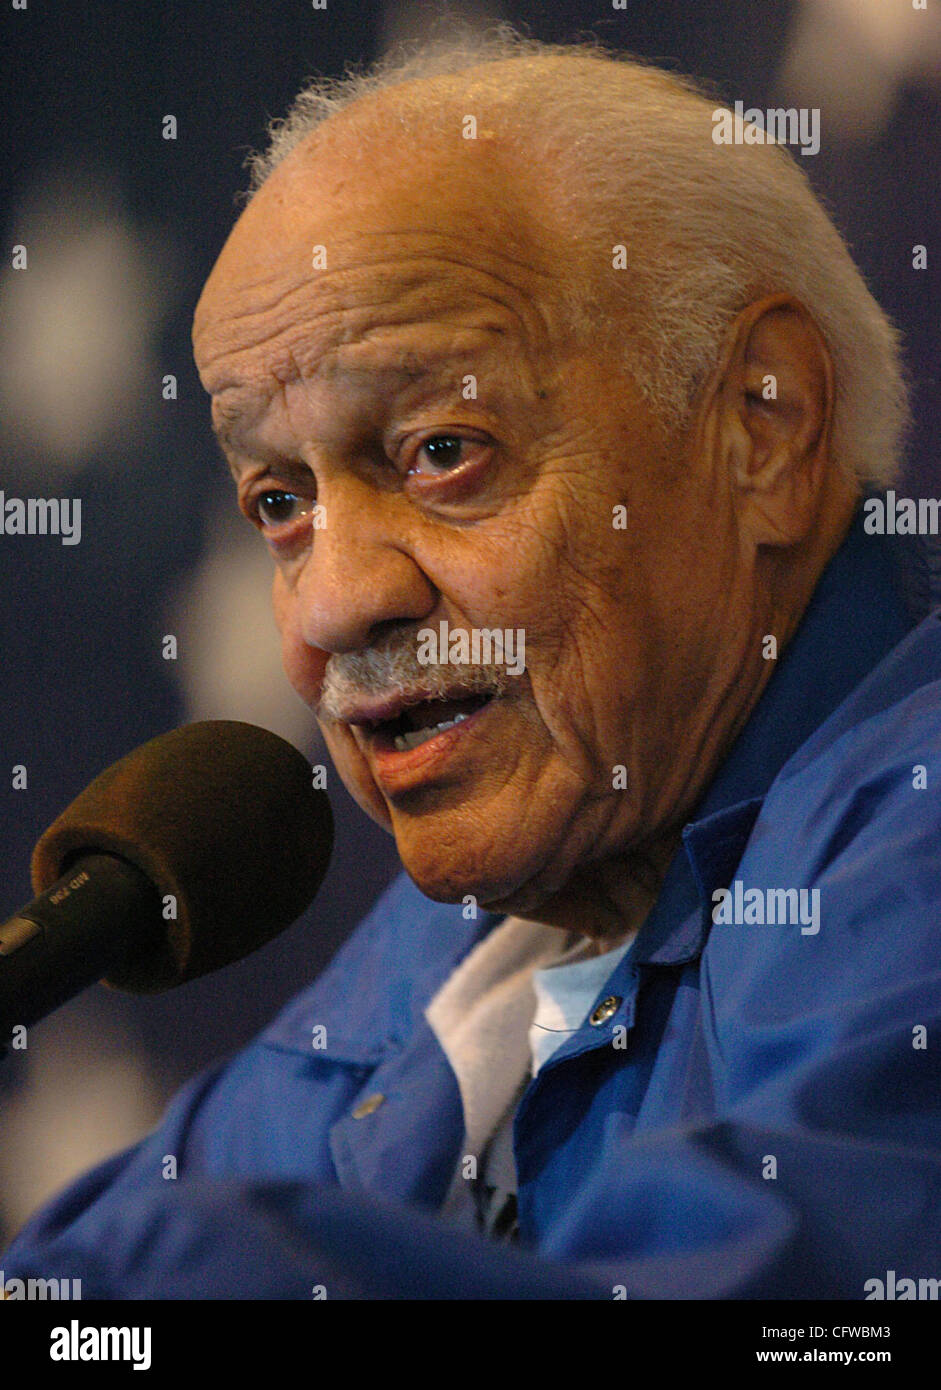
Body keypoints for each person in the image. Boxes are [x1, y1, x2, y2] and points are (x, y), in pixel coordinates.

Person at [3, 33, 940, 1299]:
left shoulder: (905, 829)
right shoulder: (479, 935)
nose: (332, 603)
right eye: (279, 503)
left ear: (757, 426)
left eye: (442, 449)